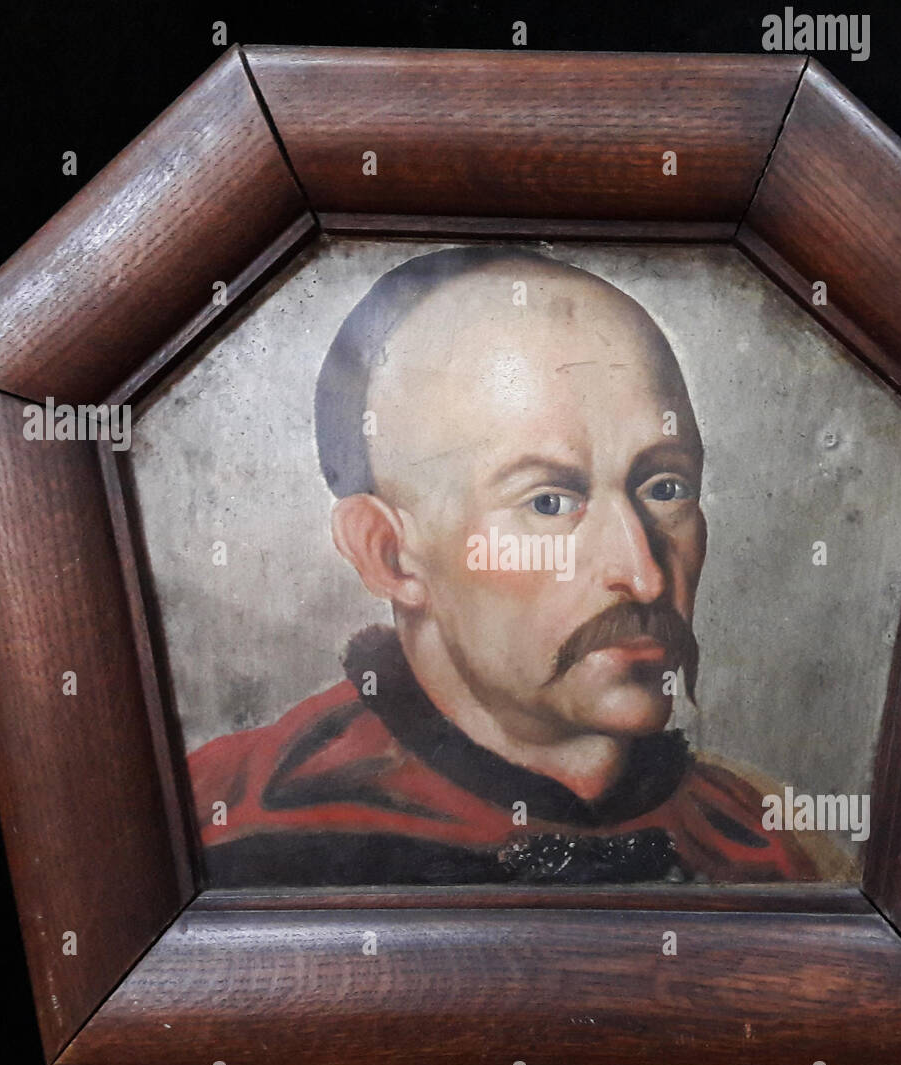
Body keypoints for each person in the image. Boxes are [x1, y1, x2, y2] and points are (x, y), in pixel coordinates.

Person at [189, 246, 840, 886]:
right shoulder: (223, 836)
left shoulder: (781, 851)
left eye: (664, 488)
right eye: (550, 503)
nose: (644, 575)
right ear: (388, 555)